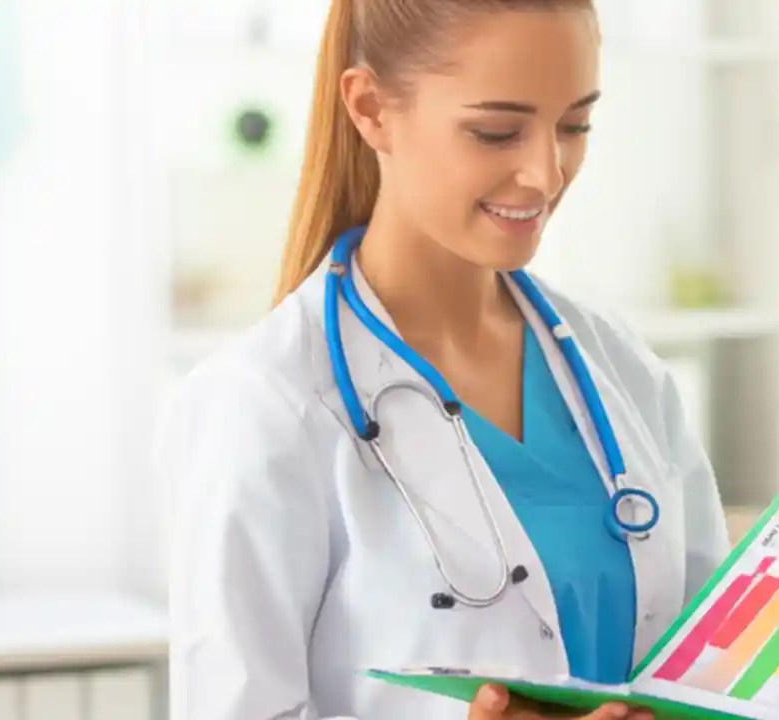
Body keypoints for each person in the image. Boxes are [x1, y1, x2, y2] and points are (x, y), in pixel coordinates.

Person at [159, 1, 733, 718]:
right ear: (370, 109)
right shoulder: (264, 405)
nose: (545, 174)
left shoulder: (623, 372)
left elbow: (716, 677)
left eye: (574, 126)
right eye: (496, 132)